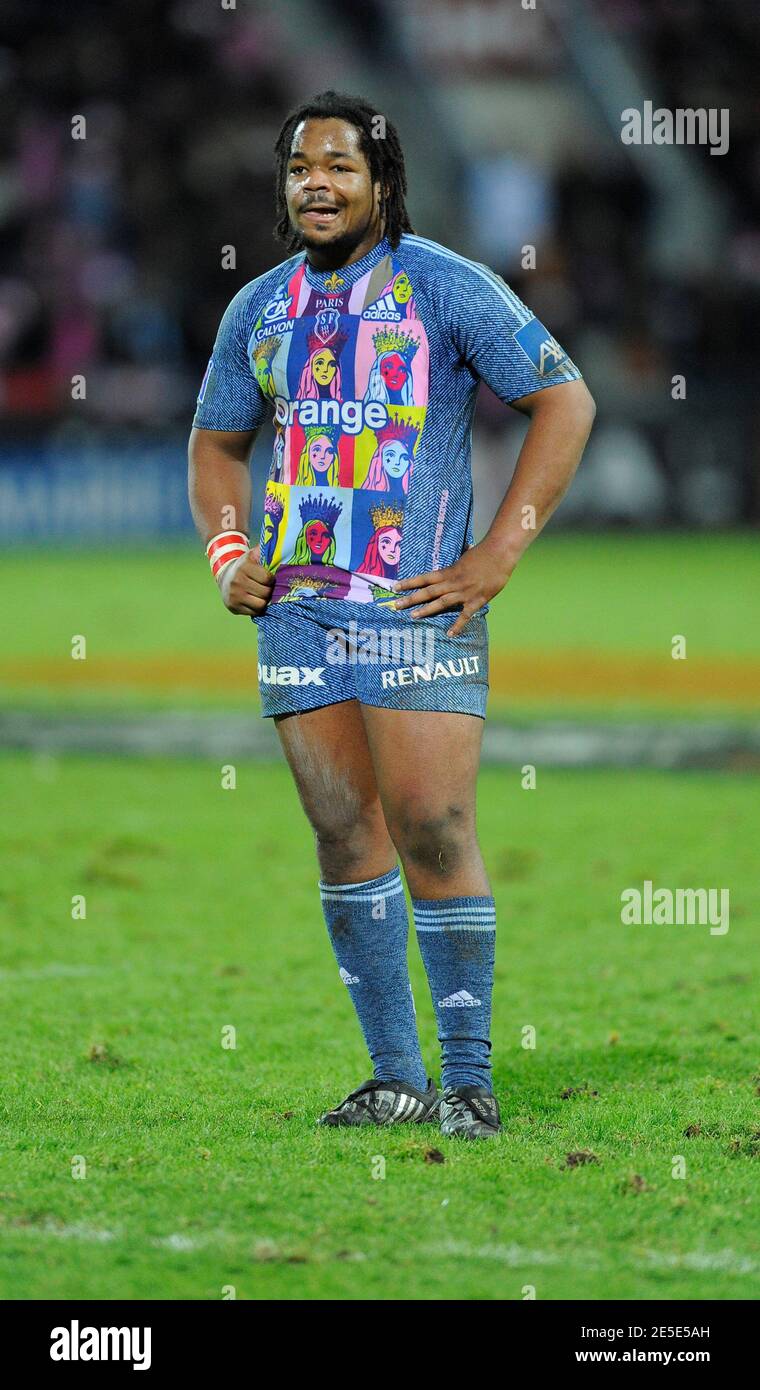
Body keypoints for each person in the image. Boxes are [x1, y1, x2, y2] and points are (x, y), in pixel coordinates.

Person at [188, 90, 595, 1139]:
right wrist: (230, 552)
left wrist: (498, 553)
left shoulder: (447, 287)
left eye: (338, 167)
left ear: (382, 182)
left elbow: (565, 400)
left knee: (432, 825)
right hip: (295, 615)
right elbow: (217, 443)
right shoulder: (260, 310)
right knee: (341, 832)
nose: (315, 184)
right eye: (297, 169)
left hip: (415, 610)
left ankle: (467, 1077)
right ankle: (395, 1076)